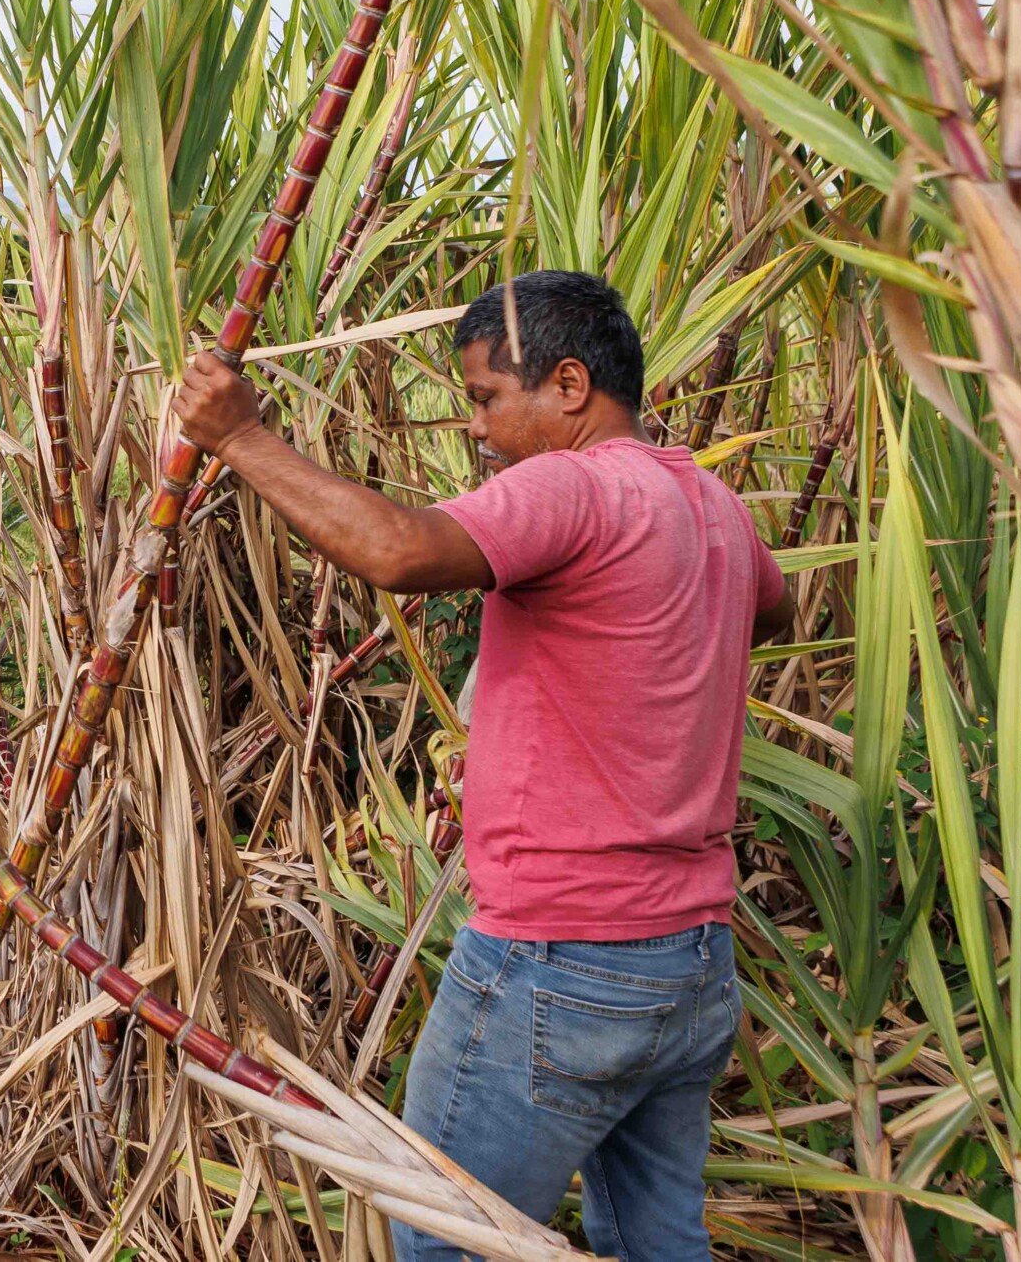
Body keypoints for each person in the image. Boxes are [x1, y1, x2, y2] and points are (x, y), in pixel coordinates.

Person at [170, 270, 793, 1261]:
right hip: (689, 961)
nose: (475, 427)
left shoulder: (573, 486)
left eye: (486, 398)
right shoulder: (709, 503)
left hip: (562, 960)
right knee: (657, 1241)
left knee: (442, 1243)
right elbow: (775, 611)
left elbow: (397, 553)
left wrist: (241, 439)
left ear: (571, 386)